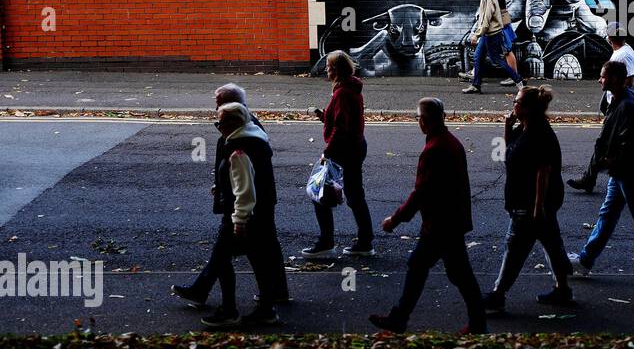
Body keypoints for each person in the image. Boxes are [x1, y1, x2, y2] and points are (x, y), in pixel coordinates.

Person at [369, 98, 487, 333]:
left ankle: (400, 318)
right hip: (452, 220)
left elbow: (421, 193)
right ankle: (477, 322)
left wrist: (395, 219)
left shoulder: (434, 150)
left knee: (424, 267)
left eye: (418, 118)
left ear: (423, 121)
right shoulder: (451, 142)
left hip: (441, 224)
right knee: (458, 274)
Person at [172, 84, 291, 310]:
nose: (215, 107)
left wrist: (239, 215)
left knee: (231, 252)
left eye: (218, 102)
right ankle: (272, 296)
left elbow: (246, 178)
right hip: (255, 202)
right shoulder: (248, 125)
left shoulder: (243, 134)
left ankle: (230, 306)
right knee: (259, 250)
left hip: (249, 206)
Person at [566, 59, 634, 279]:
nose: (599, 79)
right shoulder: (624, 99)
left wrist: (610, 161)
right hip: (621, 172)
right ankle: (585, 261)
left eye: (603, 76)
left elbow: (630, 143)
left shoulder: (628, 105)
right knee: (608, 214)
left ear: (613, 79)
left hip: (628, 172)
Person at [482, 85, 574, 313]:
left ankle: (498, 294)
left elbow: (543, 171)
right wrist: (506, 127)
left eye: (518, 102)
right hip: (533, 203)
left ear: (529, 108)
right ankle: (563, 288)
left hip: (529, 203)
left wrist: (537, 207)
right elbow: (506, 155)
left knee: (514, 248)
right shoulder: (523, 129)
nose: (514, 104)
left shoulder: (539, 133)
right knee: (552, 244)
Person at [197, 103, 283, 328]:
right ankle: (267, 309)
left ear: (234, 123)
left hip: (242, 218)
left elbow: (245, 189)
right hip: (258, 215)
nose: (218, 127)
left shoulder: (238, 150)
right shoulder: (256, 137)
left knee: (222, 260)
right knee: (258, 261)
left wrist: (239, 220)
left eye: (220, 123)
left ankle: (229, 311)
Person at [303, 50, 376, 257]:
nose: (326, 69)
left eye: (328, 66)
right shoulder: (349, 88)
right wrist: (324, 116)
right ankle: (365, 241)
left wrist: (327, 152)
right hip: (355, 146)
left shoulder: (343, 92)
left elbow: (341, 128)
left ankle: (326, 242)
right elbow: (341, 120)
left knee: (320, 194)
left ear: (336, 69)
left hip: (345, 150)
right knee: (355, 196)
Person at [567, 20, 634, 194]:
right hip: (616, 104)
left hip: (619, 107)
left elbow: (629, 81)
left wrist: (615, 102)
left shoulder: (622, 55)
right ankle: (590, 178)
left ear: (609, 38)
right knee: (624, 144)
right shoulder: (625, 51)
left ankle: (589, 179)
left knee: (603, 144)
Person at [463, 0, 524, 93]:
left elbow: (486, 19)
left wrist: (476, 35)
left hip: (490, 34)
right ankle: (476, 85)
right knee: (478, 57)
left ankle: (518, 80)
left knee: (496, 59)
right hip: (489, 33)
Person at [484, 0, 523, 84]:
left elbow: (494, 8)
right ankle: (476, 73)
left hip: (498, 23)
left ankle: (515, 77)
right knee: (486, 49)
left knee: (506, 50)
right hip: (498, 22)